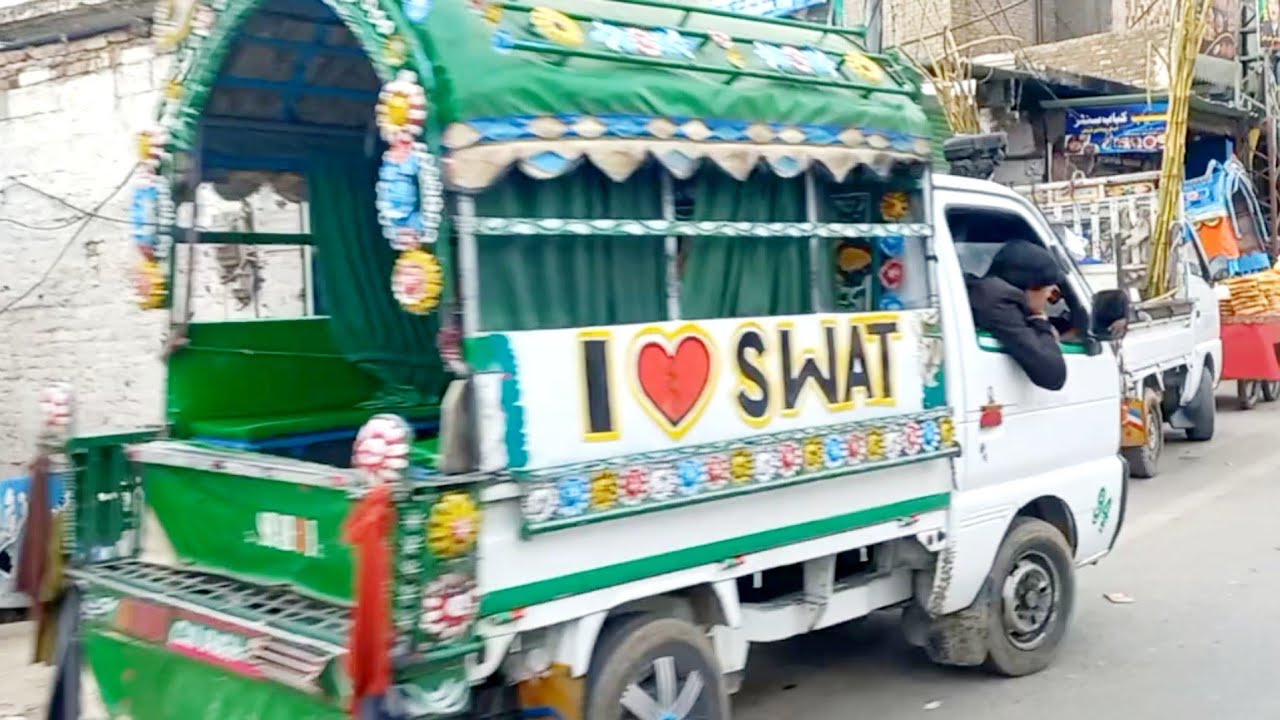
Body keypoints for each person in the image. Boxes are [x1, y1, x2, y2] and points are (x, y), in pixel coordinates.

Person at [966, 240, 1068, 391]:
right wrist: (1041, 324)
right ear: (1031, 285)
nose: (1049, 297)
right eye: (1049, 290)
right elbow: (1053, 376)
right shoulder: (1001, 302)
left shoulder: (986, 291)